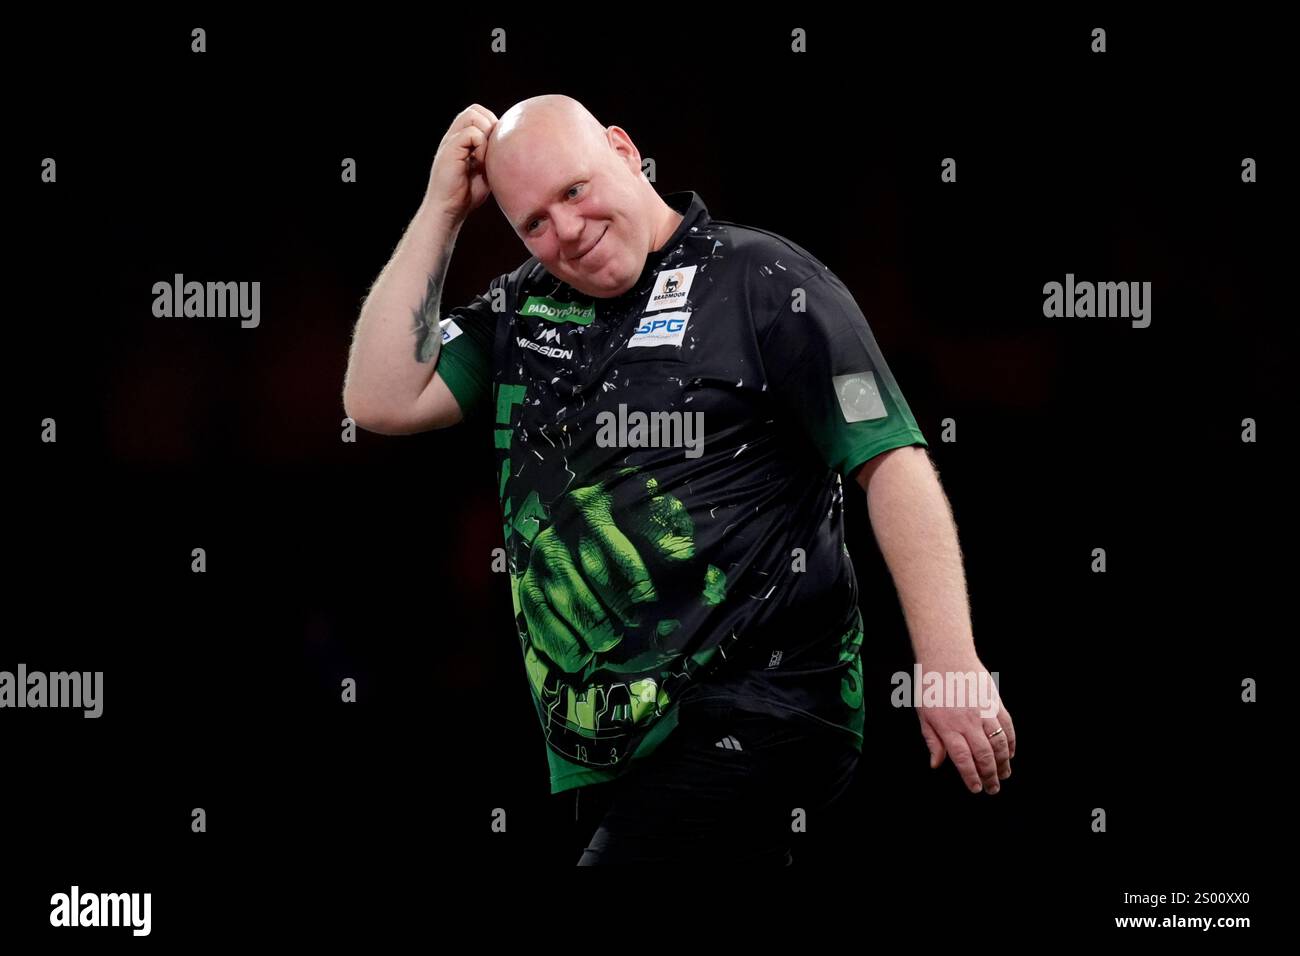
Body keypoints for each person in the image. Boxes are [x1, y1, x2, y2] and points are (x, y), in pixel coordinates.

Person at [343, 95, 1016, 864]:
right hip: (609, 746)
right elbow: (379, 397)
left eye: (574, 190)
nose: (564, 230)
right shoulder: (523, 308)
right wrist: (441, 210)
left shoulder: (765, 281)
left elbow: (891, 461)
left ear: (626, 152)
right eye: (532, 222)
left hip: (761, 708)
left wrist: (950, 661)